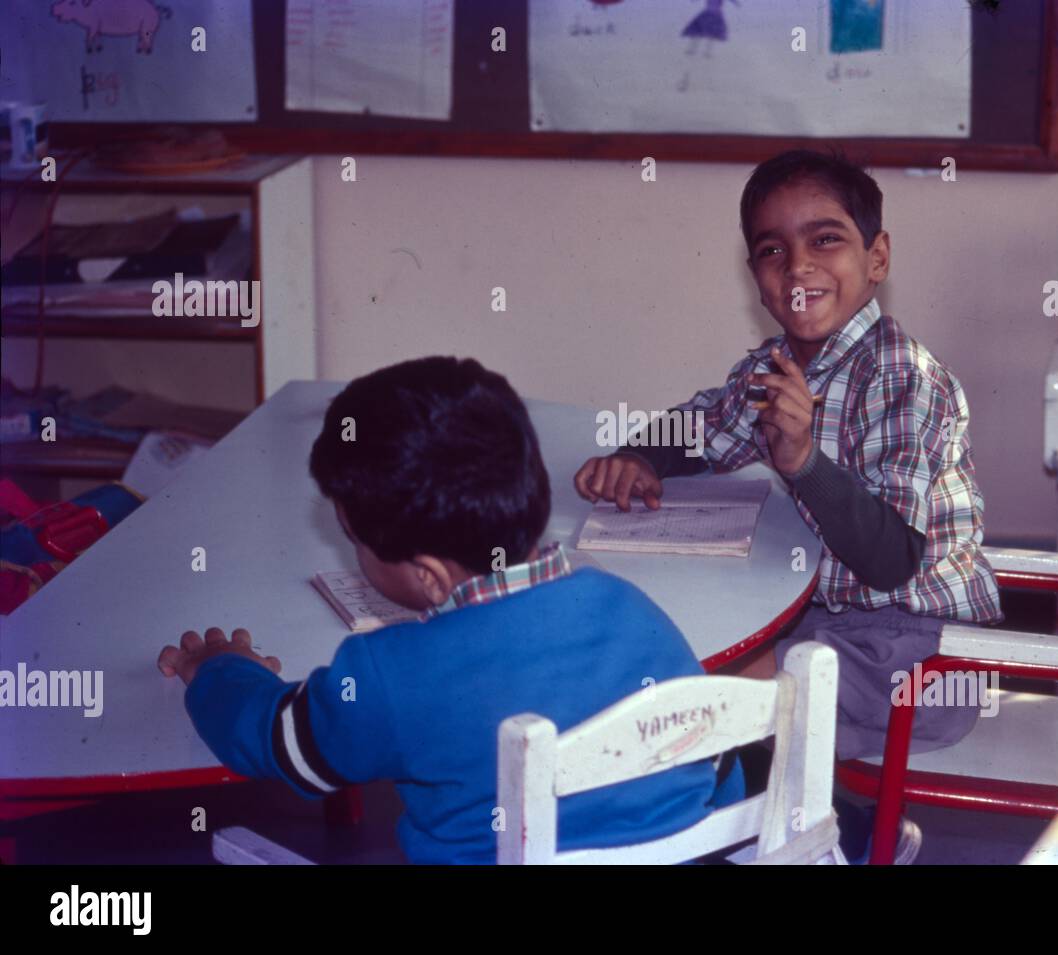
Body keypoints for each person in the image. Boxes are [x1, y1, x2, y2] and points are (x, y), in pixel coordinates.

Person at [574, 149, 1005, 862]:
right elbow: (705, 421)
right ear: (758, 280)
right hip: (837, 621)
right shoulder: (777, 366)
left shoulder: (902, 377)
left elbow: (891, 558)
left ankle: (759, 838)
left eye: (825, 238)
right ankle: (837, 831)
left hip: (916, 654)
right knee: (704, 658)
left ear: (877, 258)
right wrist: (640, 456)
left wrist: (804, 461)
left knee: (709, 693)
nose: (798, 265)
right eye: (773, 249)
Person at [158, 356, 741, 864]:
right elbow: (714, 765)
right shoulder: (630, 607)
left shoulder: (388, 673)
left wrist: (218, 668)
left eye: (354, 541)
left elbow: (277, 743)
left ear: (429, 575)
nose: (354, 553)